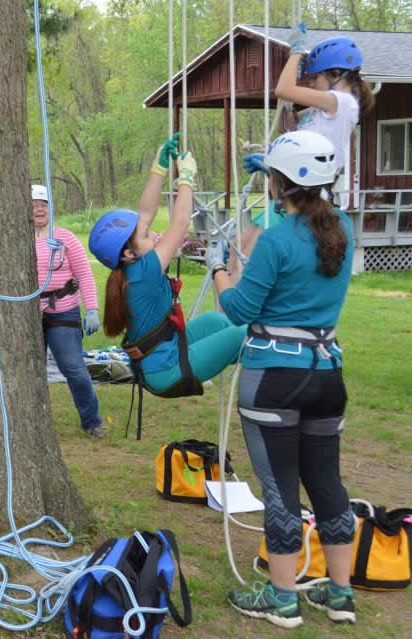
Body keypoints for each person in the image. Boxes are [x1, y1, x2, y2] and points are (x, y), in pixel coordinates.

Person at [210, 131, 356, 629]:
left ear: (279, 182)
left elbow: (239, 310)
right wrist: (279, 184)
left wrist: (216, 269)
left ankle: (283, 599)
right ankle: (340, 596)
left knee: (280, 490)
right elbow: (305, 235)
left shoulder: (275, 241)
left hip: (275, 376)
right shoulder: (345, 229)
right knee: (327, 483)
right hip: (326, 375)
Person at [88, 133, 245, 397]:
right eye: (147, 234)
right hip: (167, 370)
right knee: (247, 334)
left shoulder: (131, 268)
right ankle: (275, 369)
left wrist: (158, 168)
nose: (153, 232)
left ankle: (250, 358)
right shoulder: (144, 272)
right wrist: (186, 179)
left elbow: (145, 212)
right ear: (128, 252)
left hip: (164, 353)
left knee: (216, 322)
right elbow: (181, 221)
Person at [237, 24, 374, 268]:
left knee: (245, 258)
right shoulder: (326, 106)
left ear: (335, 75)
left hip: (308, 195)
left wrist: (295, 55)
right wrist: (269, 162)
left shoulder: (341, 102)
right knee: (239, 248)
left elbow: (284, 88)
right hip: (295, 188)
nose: (310, 84)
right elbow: (286, 123)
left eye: (314, 78)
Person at [31, 184, 104, 438]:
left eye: (43, 205)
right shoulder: (17, 239)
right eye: (34, 205)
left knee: (73, 367)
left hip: (63, 311)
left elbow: (84, 274)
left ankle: (91, 421)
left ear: (51, 208)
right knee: (29, 369)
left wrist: (92, 308)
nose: (39, 209)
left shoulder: (66, 238)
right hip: (28, 315)